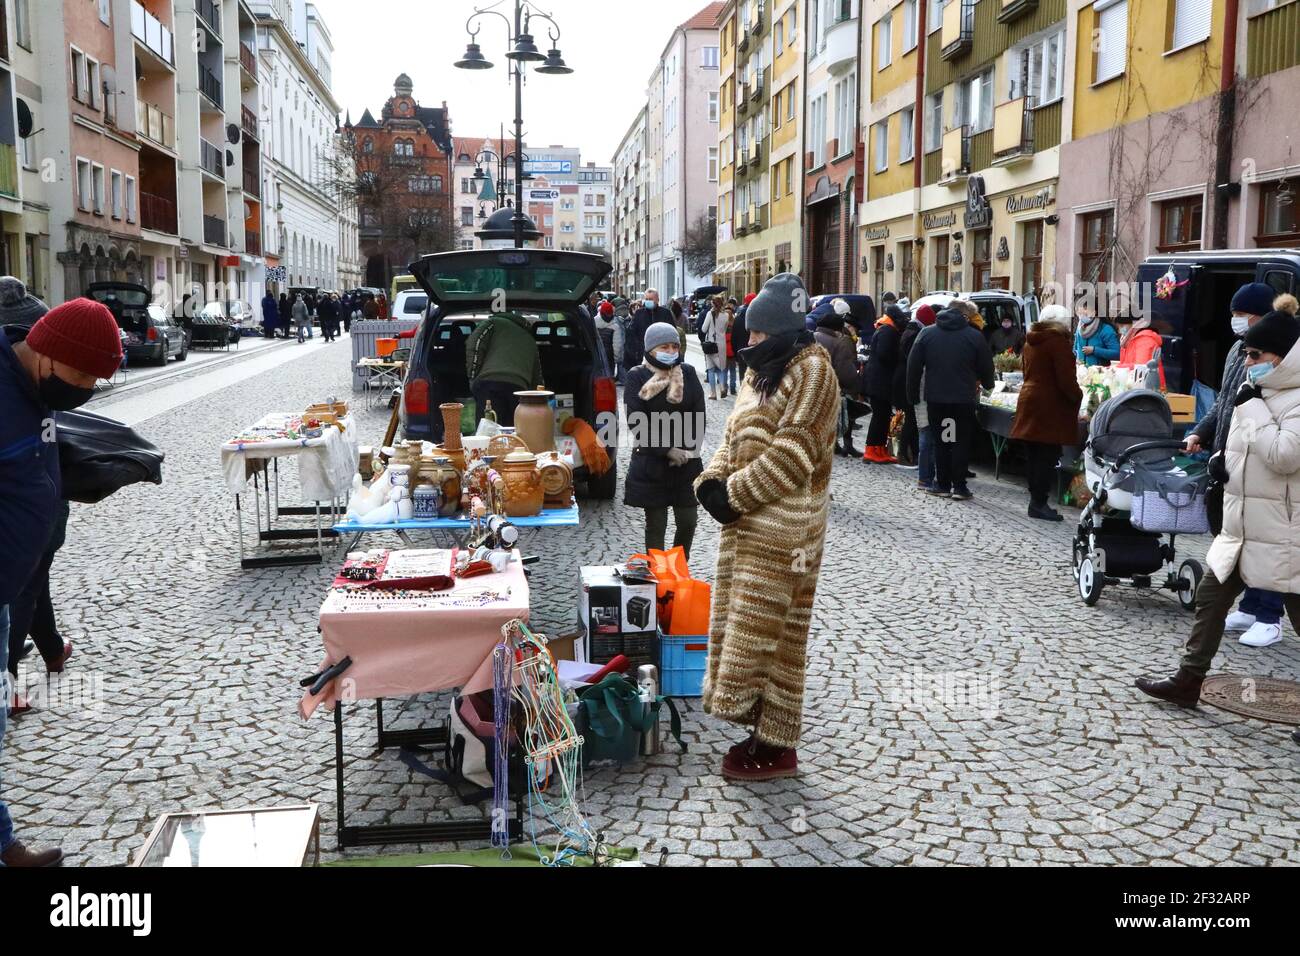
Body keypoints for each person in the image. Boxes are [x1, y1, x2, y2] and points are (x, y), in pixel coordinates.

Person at [694, 272, 839, 781]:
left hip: (786, 531)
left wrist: (731, 496)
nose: (749, 342)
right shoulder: (764, 373)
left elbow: (795, 452)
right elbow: (732, 438)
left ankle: (778, 745)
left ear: (781, 331)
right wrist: (710, 481)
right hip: (748, 524)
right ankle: (759, 729)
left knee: (776, 637)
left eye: (757, 335)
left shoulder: (814, 372)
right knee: (746, 631)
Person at [1136, 309, 1300, 727]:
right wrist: (1221, 462)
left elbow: (1285, 455)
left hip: (1285, 534)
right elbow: (1248, 450)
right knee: (1210, 601)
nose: (1248, 361)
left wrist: (1256, 411)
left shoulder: (1293, 398)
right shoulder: (1256, 391)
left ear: (1284, 356)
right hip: (1242, 527)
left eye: (1255, 354)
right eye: (1246, 354)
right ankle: (1188, 683)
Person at [2, 296, 122, 866]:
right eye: (81, 377)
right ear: (47, 355)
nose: (85, 388)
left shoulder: (34, 389)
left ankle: (2, 844)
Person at [1186, 283, 1289, 648]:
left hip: (1267, 469)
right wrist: (1201, 431)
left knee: (1271, 548)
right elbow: (1224, 400)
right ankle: (1248, 606)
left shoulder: (1279, 357)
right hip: (1234, 459)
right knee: (1239, 541)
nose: (1235, 321)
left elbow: (1280, 436)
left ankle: (1268, 616)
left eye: (1241, 314)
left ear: (1260, 315)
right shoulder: (1238, 351)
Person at [624, 323, 705, 559]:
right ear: (651, 349)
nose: (670, 351)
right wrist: (666, 449)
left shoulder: (687, 373)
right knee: (656, 525)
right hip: (652, 462)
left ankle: (680, 567)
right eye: (664, 346)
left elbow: (698, 414)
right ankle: (659, 574)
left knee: (688, 521)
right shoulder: (637, 376)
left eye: (674, 346)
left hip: (687, 463)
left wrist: (688, 450)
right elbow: (636, 420)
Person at [907, 303, 995, 501]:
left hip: (937, 399)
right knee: (959, 442)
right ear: (965, 317)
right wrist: (989, 385)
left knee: (944, 441)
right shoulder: (974, 336)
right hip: (962, 399)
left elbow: (913, 366)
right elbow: (986, 366)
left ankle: (943, 483)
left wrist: (912, 394)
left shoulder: (927, 334)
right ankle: (959, 486)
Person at [1009, 305, 1084, 521]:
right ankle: (1039, 503)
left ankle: (1036, 500)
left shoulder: (1032, 340)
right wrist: (1077, 396)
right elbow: (1065, 380)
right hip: (1049, 405)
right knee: (1046, 455)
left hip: (1031, 399)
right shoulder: (1057, 342)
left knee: (1034, 454)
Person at [464, 310, 544, 429]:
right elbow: (537, 378)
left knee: (488, 433)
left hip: (490, 385)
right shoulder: (530, 340)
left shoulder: (492, 323)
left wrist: (472, 377)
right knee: (513, 435)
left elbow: (475, 344)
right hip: (519, 390)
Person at [814, 301, 861, 457]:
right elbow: (844, 369)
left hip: (815, 383)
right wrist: (855, 383)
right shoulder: (840, 341)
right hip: (835, 384)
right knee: (843, 414)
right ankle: (841, 445)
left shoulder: (813, 336)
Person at [895, 302, 937, 471]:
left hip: (904, 378)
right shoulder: (916, 333)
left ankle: (909, 453)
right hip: (908, 379)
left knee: (911, 418)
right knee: (912, 420)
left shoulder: (911, 330)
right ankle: (904, 453)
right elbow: (914, 360)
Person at [862, 303, 906, 464]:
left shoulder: (885, 329)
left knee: (881, 415)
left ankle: (878, 449)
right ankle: (872, 450)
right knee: (880, 416)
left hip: (878, 380)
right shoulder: (888, 331)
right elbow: (885, 355)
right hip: (880, 381)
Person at [1116, 310, 1166, 389]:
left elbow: (1141, 367)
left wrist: (1117, 368)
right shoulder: (1127, 341)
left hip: (1150, 390)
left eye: (1122, 326)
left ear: (1134, 323)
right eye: (1118, 327)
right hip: (1136, 388)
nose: (1119, 330)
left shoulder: (1145, 340)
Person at [625, 289, 668, 373]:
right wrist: (635, 352)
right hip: (642, 356)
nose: (648, 301)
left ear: (657, 300)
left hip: (661, 356)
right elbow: (631, 334)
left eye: (651, 299)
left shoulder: (665, 313)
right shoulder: (639, 313)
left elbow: (671, 333)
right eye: (647, 299)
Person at [699, 296, 729, 399]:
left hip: (711, 345)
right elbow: (724, 329)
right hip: (721, 344)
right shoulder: (726, 315)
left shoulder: (710, 314)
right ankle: (722, 387)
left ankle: (713, 393)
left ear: (713, 304)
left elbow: (703, 329)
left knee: (711, 369)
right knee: (720, 368)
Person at [1073, 302, 1120, 366]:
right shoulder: (1079, 329)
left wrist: (1094, 350)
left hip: (1100, 373)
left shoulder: (1106, 329)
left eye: (1085, 314)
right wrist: (1075, 358)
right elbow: (1075, 349)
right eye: (1080, 314)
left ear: (1094, 313)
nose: (1082, 317)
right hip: (1082, 372)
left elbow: (1117, 354)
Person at [733, 292, 754, 373]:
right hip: (755, 353)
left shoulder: (738, 318)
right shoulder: (759, 318)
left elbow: (733, 338)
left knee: (743, 376)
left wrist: (736, 354)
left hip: (741, 352)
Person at [595, 300, 618, 375]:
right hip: (609, 357)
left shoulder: (593, 322)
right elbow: (617, 345)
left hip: (596, 354)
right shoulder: (615, 326)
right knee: (609, 377)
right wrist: (617, 359)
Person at [612, 297, 631, 384]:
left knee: (620, 359)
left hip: (621, 340)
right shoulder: (627, 314)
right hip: (628, 342)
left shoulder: (616, 317)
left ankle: (622, 378)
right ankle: (622, 377)